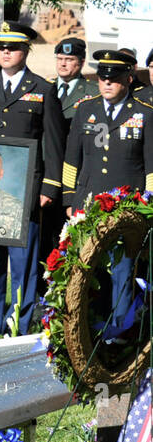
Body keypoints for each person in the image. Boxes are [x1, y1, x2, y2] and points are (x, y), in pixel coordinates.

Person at [0, 21, 63, 337]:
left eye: (13, 48)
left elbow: (53, 143)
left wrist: (49, 186)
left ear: (25, 51)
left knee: (23, 265)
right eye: (1, 48)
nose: (6, 53)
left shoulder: (43, 89)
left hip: (25, 190)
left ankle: (18, 325)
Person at [62, 50, 153, 334]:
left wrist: (148, 203)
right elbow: (71, 158)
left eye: (113, 78)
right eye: (102, 78)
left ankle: (120, 330)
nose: (107, 83)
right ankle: (85, 328)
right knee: (86, 269)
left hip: (127, 206)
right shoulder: (85, 109)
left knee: (124, 270)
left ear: (128, 78)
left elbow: (151, 166)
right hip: (88, 203)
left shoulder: (144, 113)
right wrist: (68, 198)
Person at [42, 37, 97, 256]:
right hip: (48, 174)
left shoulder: (92, 92)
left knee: (72, 239)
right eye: (60, 58)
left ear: (81, 62)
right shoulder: (44, 88)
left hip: (76, 175)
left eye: (69, 59)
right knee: (45, 237)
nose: (63, 64)